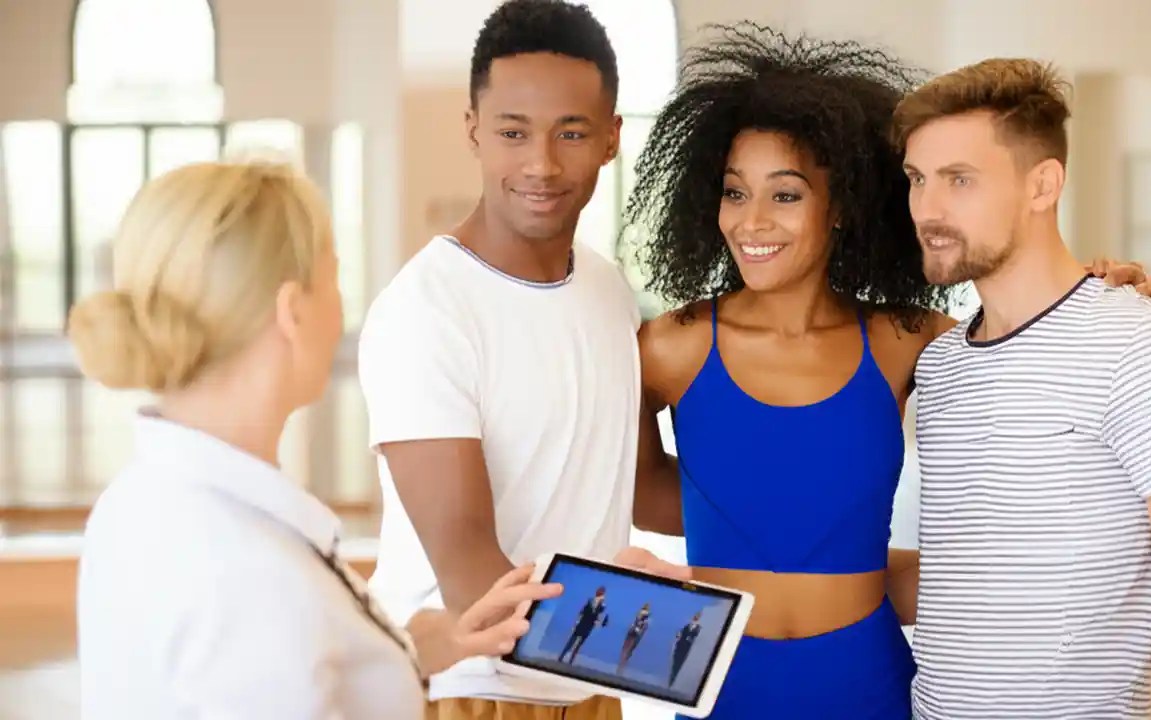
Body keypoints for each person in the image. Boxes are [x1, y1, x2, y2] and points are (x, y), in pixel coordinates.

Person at [624, 23, 1151, 719]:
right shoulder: (670, 346)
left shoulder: (904, 340)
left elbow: (1032, 328)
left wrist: (1104, 287)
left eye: (785, 195)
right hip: (719, 683)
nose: (751, 221)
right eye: (735, 192)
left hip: (866, 679)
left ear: (843, 206)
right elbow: (647, 498)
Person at [69, 162, 563, 719]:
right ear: (293, 310)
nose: (341, 312)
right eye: (334, 279)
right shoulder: (251, 577)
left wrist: (411, 649)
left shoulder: (138, 503)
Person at [894, 59, 1151, 720]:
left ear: (1042, 184)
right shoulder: (943, 365)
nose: (928, 209)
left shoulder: (1136, 343)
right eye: (917, 180)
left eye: (960, 180)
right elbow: (969, 577)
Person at [356, 2, 687, 719]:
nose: (541, 164)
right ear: (474, 131)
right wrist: (679, 633)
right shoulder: (425, 312)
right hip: (472, 689)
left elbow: (641, 491)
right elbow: (473, 582)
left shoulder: (604, 287)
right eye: (513, 133)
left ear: (610, 138)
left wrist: (801, 502)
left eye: (571, 133)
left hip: (588, 687)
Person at [559, 586, 609, 664]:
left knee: (579, 644)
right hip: (582, 623)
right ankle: (561, 657)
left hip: (589, 626)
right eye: (602, 593)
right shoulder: (590, 600)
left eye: (603, 593)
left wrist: (599, 620)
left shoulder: (602, 605)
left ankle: (571, 661)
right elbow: (582, 612)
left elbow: (599, 616)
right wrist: (576, 622)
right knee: (572, 641)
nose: (603, 595)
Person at [669, 612, 702, 687]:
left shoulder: (698, 629)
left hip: (686, 649)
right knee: (675, 662)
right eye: (695, 617)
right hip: (679, 646)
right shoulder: (687, 626)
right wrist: (678, 636)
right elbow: (680, 634)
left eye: (697, 617)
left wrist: (691, 639)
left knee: (680, 663)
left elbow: (696, 638)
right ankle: (672, 679)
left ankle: (674, 680)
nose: (695, 618)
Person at [617, 602, 651, 673]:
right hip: (632, 634)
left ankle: (622, 665)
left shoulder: (645, 620)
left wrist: (637, 629)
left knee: (628, 650)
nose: (642, 613)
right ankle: (621, 665)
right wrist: (634, 627)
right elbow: (635, 624)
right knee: (626, 649)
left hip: (635, 636)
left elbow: (642, 629)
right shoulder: (640, 616)